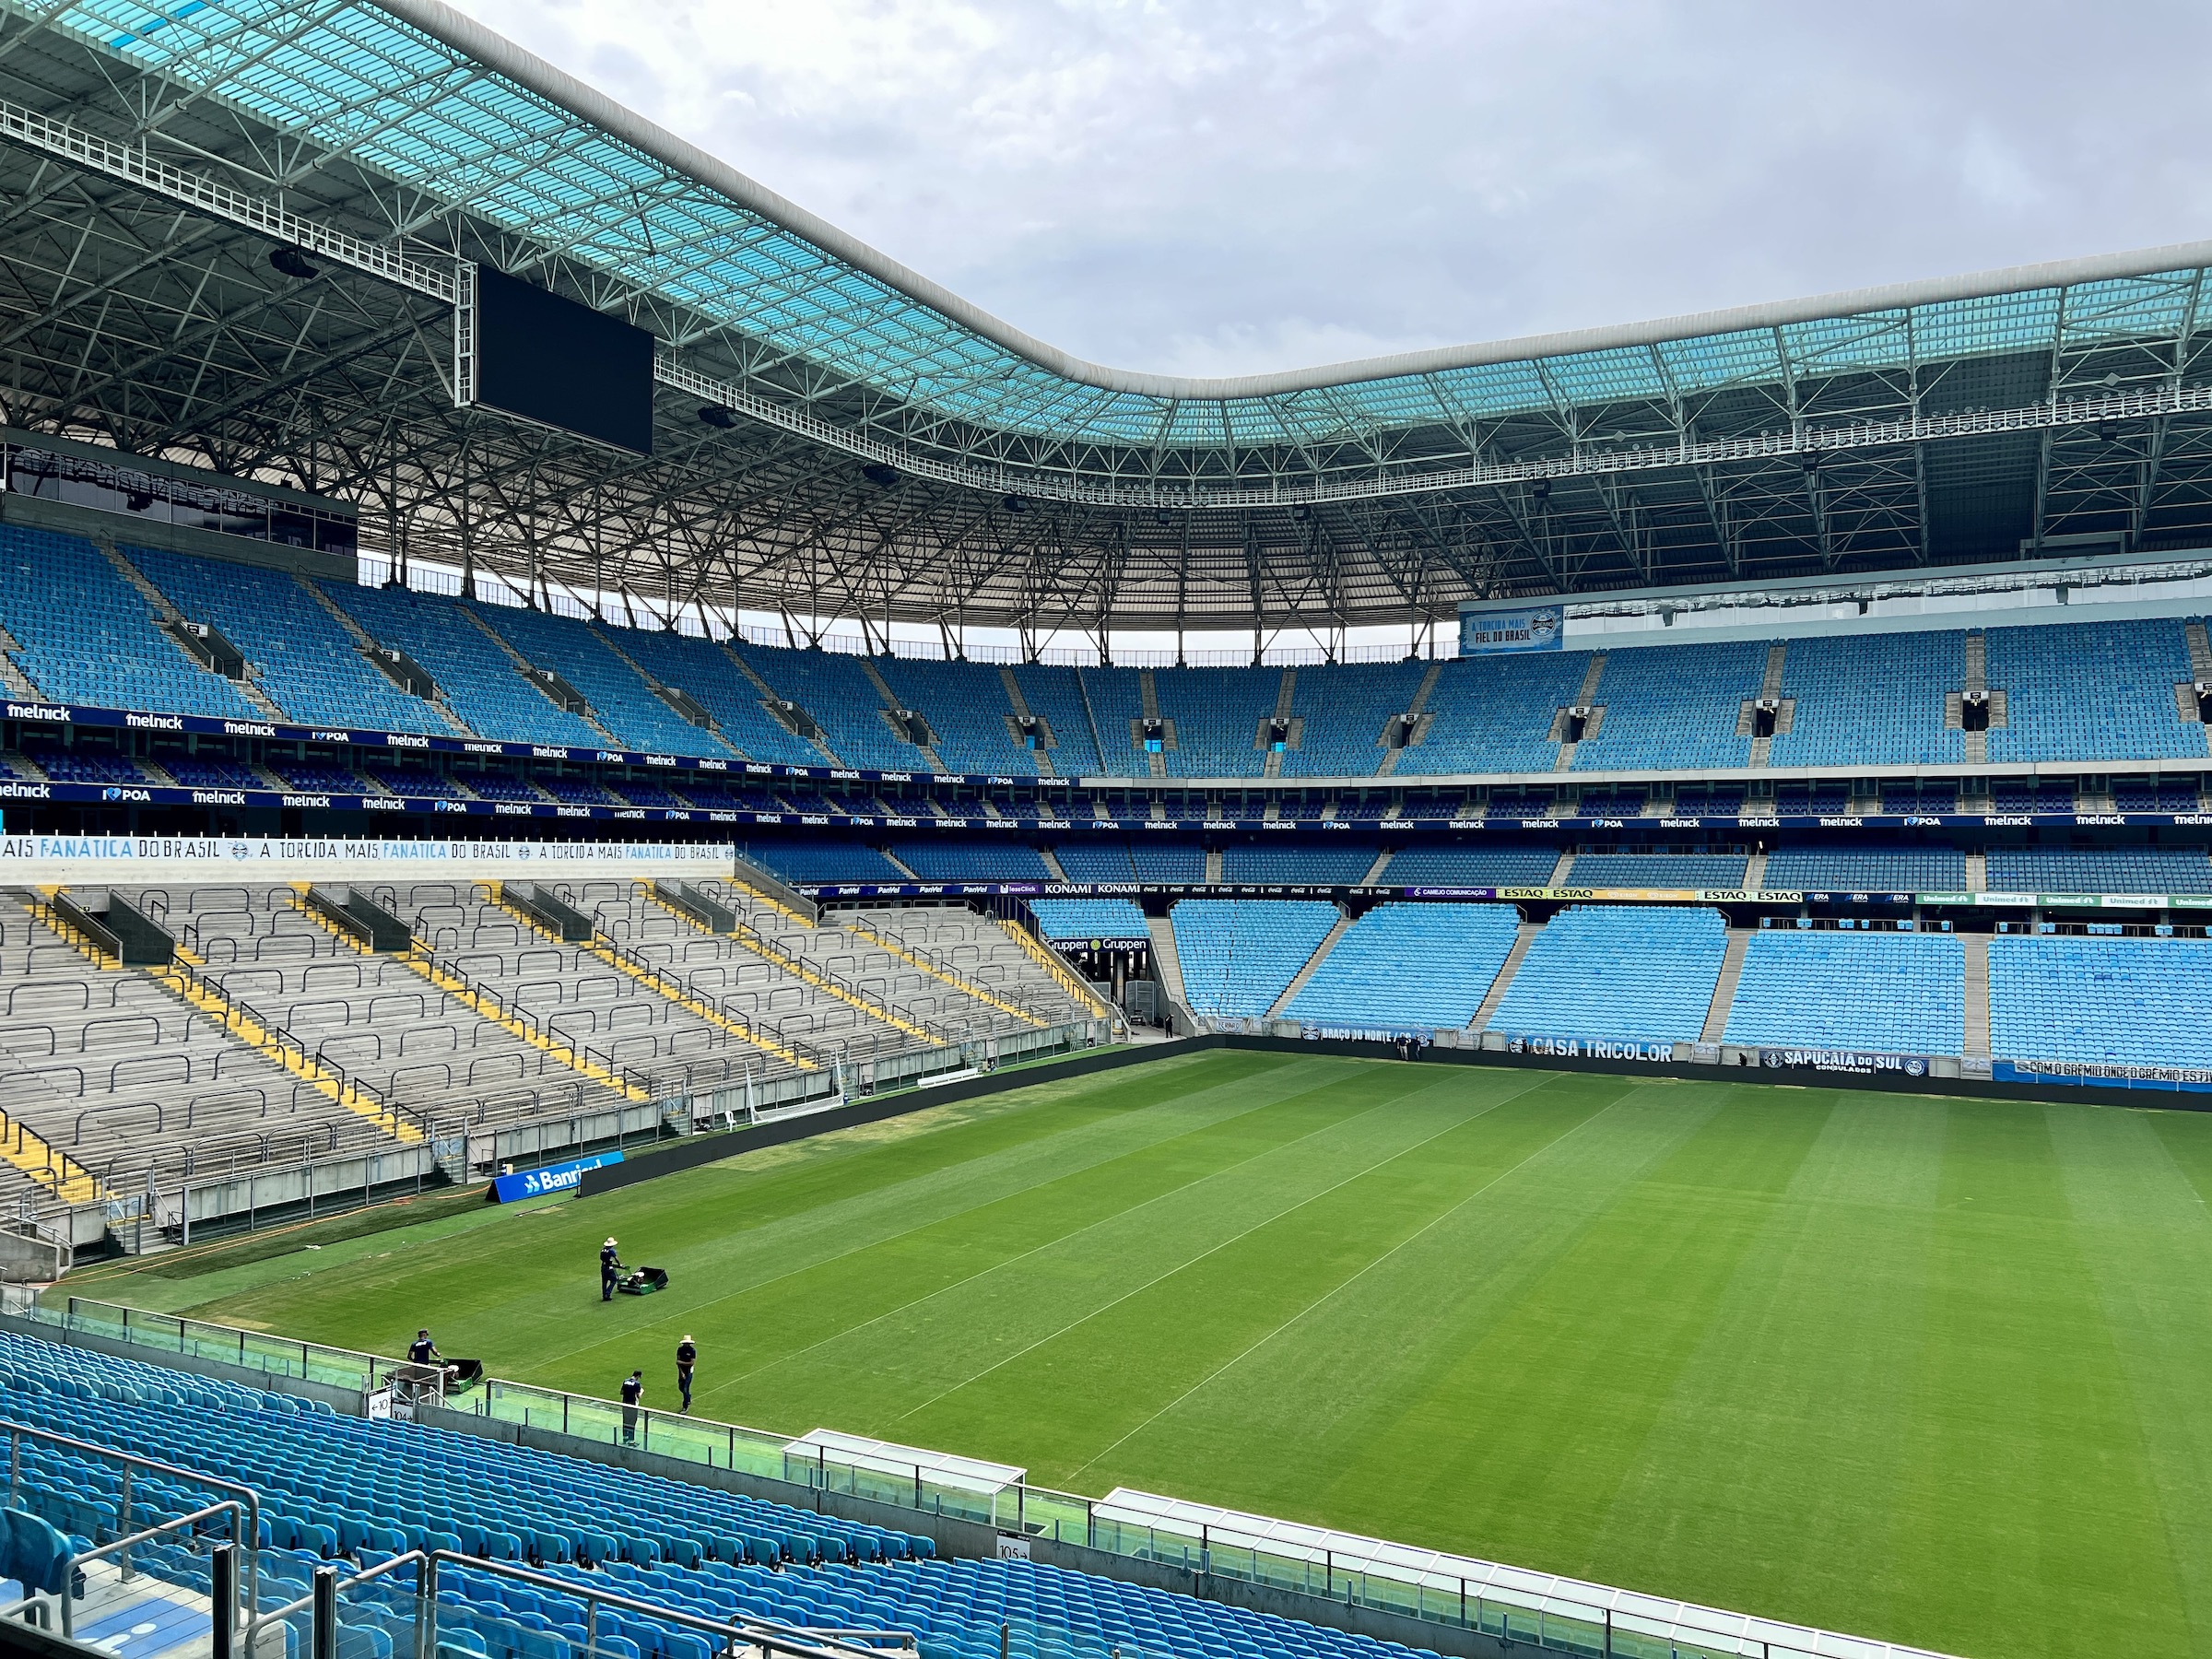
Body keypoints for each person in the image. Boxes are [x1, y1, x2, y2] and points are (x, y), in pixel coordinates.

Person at [619, 1369, 644, 1445]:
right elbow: (639, 1396)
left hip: (625, 1404)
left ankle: (625, 1438)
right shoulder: (637, 1384)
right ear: (638, 1376)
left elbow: (621, 1392)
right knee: (632, 1422)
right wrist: (642, 1391)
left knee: (625, 1421)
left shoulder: (625, 1381)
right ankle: (631, 1440)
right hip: (633, 1405)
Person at [676, 1335, 698, 1415]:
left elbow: (691, 1363)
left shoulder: (692, 1351)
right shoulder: (680, 1350)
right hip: (682, 1371)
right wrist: (681, 1372)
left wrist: (681, 1363)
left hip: (689, 1372)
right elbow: (678, 1362)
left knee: (685, 1389)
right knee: (681, 1387)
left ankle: (685, 1406)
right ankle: (688, 1397)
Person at [600, 1238, 623, 1302]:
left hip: (603, 1267)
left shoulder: (602, 1250)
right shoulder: (611, 1250)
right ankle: (607, 1293)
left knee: (604, 1281)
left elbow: (601, 1258)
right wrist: (619, 1264)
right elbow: (616, 1258)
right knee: (614, 1280)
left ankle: (604, 1296)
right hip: (609, 1267)